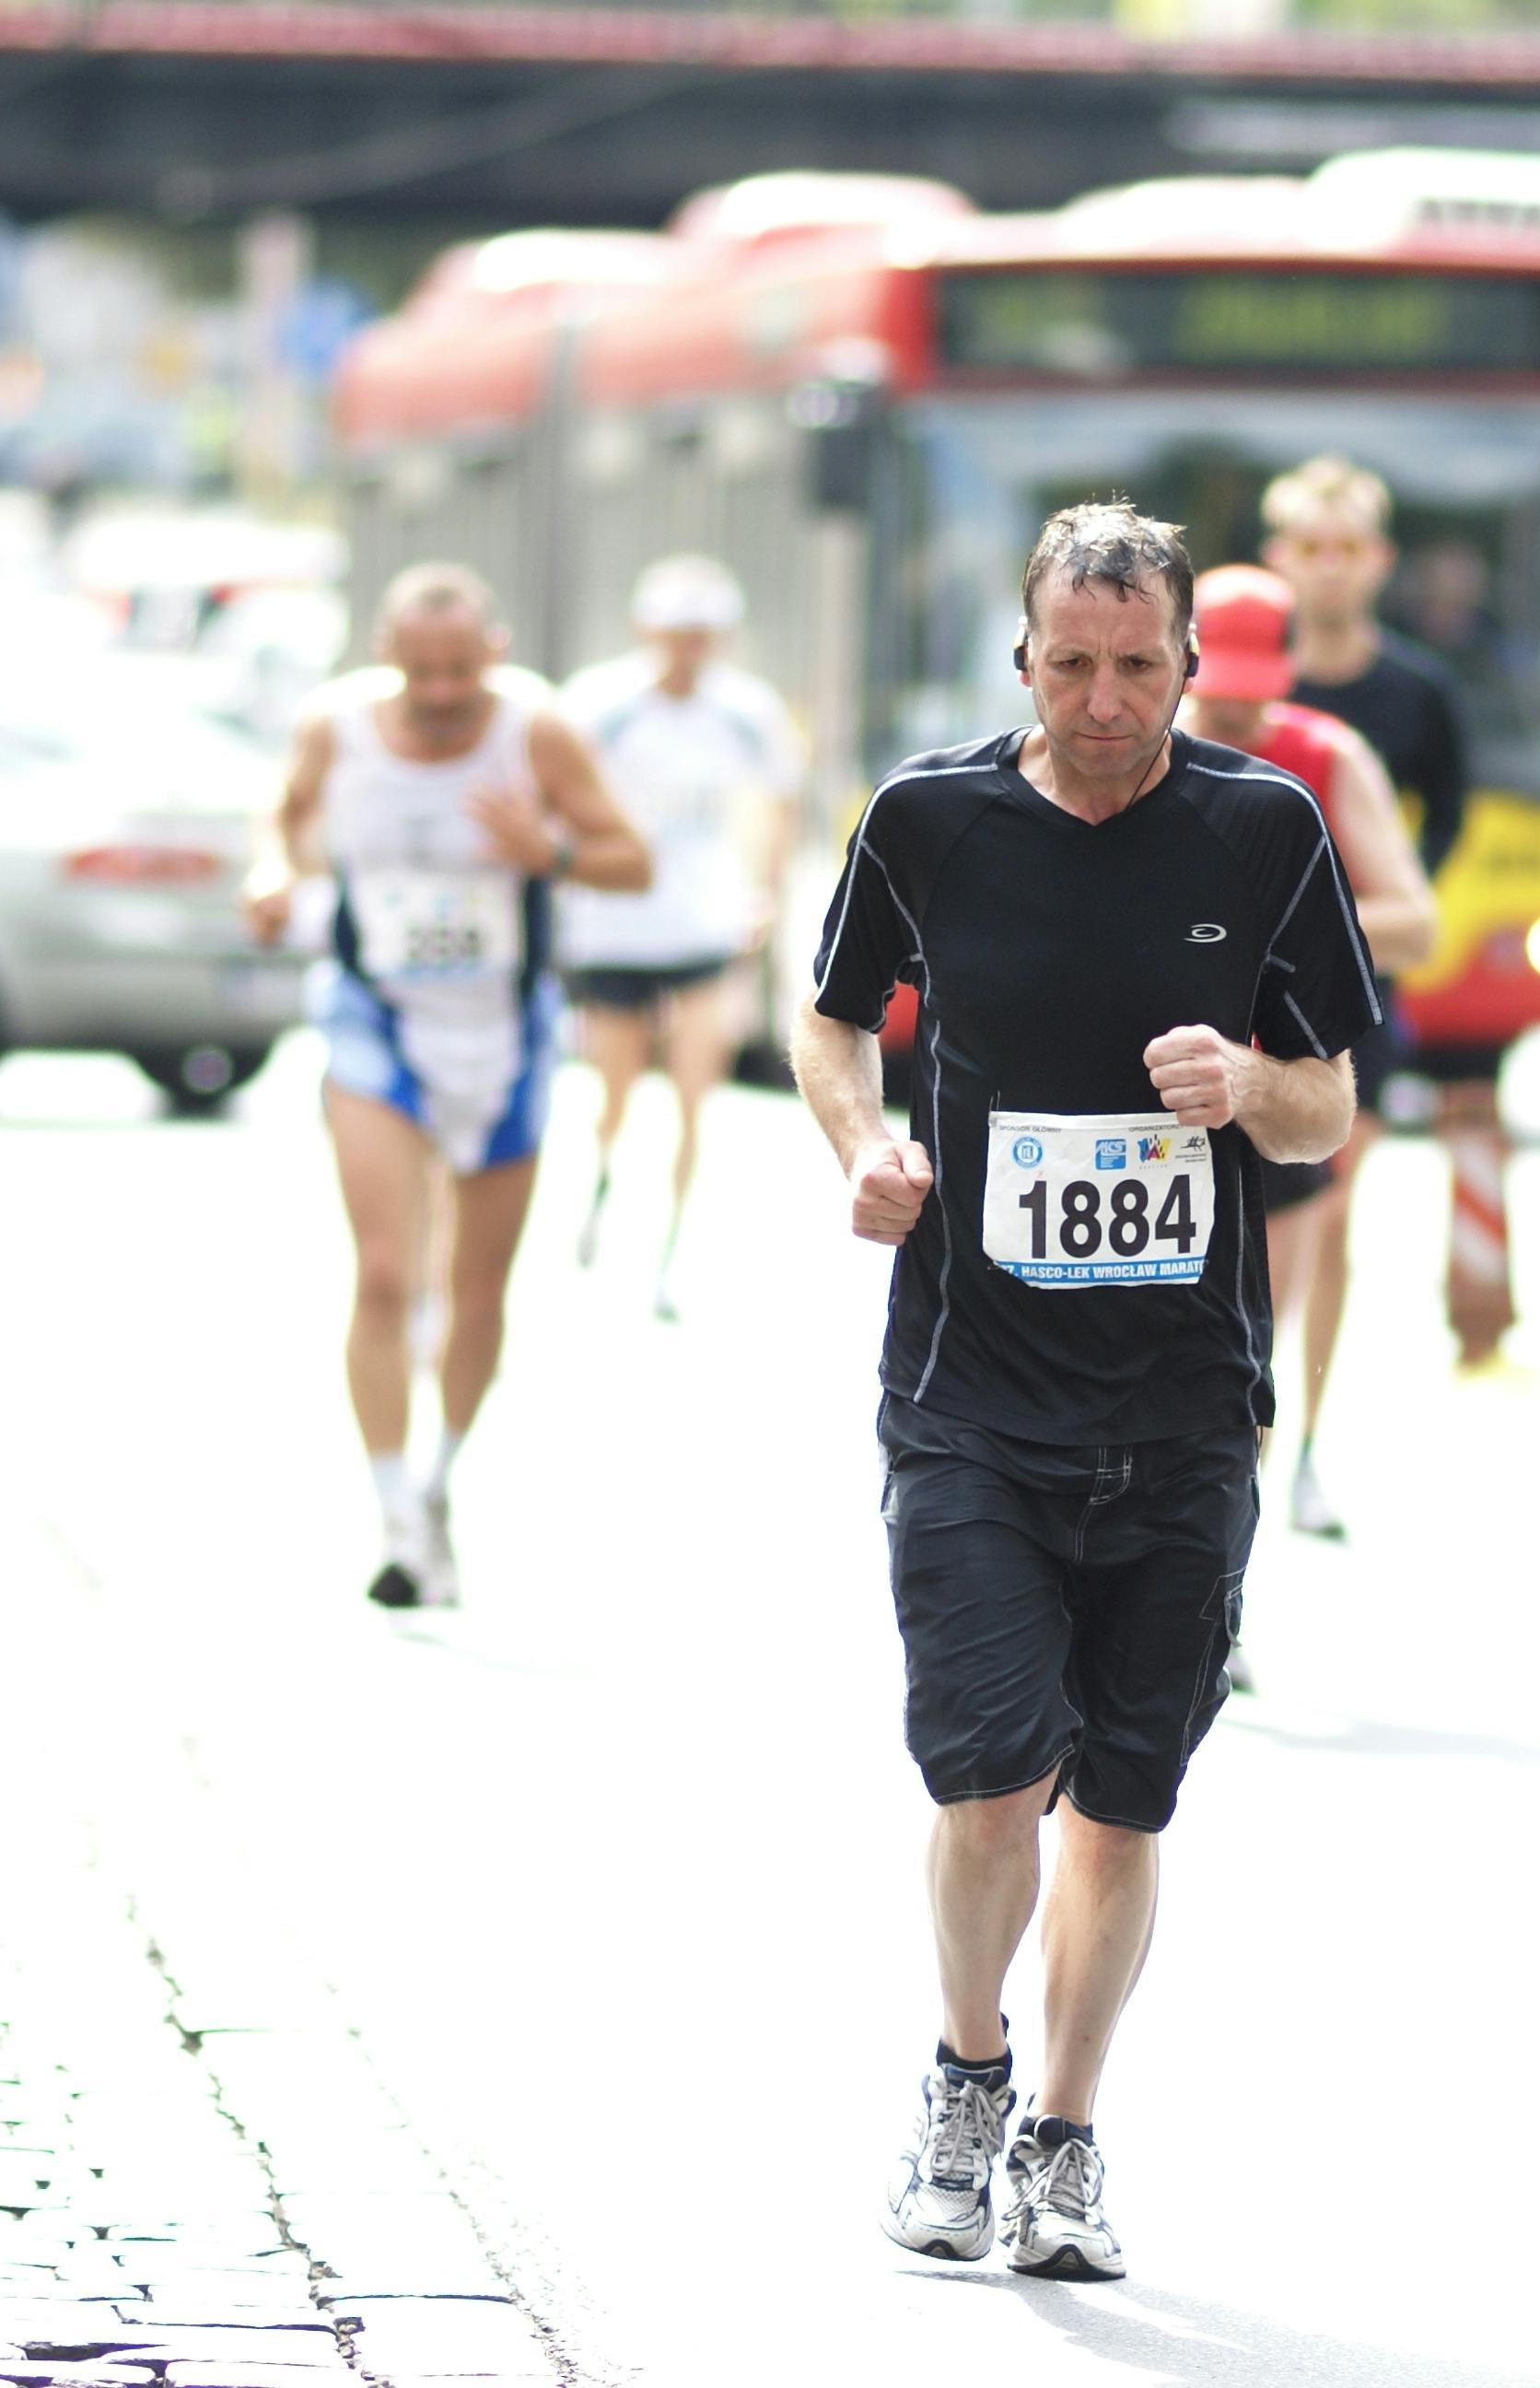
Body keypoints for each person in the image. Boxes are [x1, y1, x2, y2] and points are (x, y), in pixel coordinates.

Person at [790, 501, 1375, 2281]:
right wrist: (861, 1144)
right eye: (1072, 665)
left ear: (1191, 663)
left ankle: (1065, 2132)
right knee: (990, 1772)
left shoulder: (1265, 829)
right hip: (970, 1387)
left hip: (1186, 1401)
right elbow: (831, 1015)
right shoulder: (928, 819)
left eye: (1139, 666)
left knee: (1120, 1803)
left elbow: (1329, 1107)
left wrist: (1248, 1081)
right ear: (1022, 661)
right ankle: (965, 2077)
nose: (1106, 700)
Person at [244, 564, 649, 1610]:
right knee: (384, 1274)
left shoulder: (537, 732)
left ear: (495, 652)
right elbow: (281, 817)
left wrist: (546, 849)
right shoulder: (336, 727)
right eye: (417, 669)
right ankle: (390, 1513)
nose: (436, 691)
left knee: (477, 1291)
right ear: (385, 656)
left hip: (503, 1031)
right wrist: (274, 874)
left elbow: (628, 859)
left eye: (458, 670)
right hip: (375, 1018)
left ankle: (436, 1488)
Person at [1262, 454, 1515, 1503]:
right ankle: (1241, 1420)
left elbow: (1450, 808)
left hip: (1354, 986)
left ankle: (1307, 1435)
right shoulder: (1239, 681)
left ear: (1377, 560)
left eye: (1346, 550)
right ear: (1279, 558)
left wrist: (1389, 898)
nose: (1327, 569)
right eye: (1308, 549)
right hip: (1236, 983)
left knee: (1324, 1206)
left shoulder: (1412, 690)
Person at [1179, 564, 1436, 1559]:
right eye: (1219, 685)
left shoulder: (1325, 756)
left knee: (1249, 1333)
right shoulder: (1128, 743)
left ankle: (1225, 1569)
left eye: (1256, 683)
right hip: (1153, 1084)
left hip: (1281, 1080)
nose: (1237, 709)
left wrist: (1264, 930)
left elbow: (1413, 923)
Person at [560, 555, 807, 1319]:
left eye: (701, 636)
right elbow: (556, 794)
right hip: (614, 928)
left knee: (694, 1096)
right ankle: (598, 1192)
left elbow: (780, 801)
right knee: (616, 1094)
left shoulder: (747, 712)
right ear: (647, 633)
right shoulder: (600, 704)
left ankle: (667, 1249)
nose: (687, 651)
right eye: (675, 635)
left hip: (701, 922)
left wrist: (765, 896)